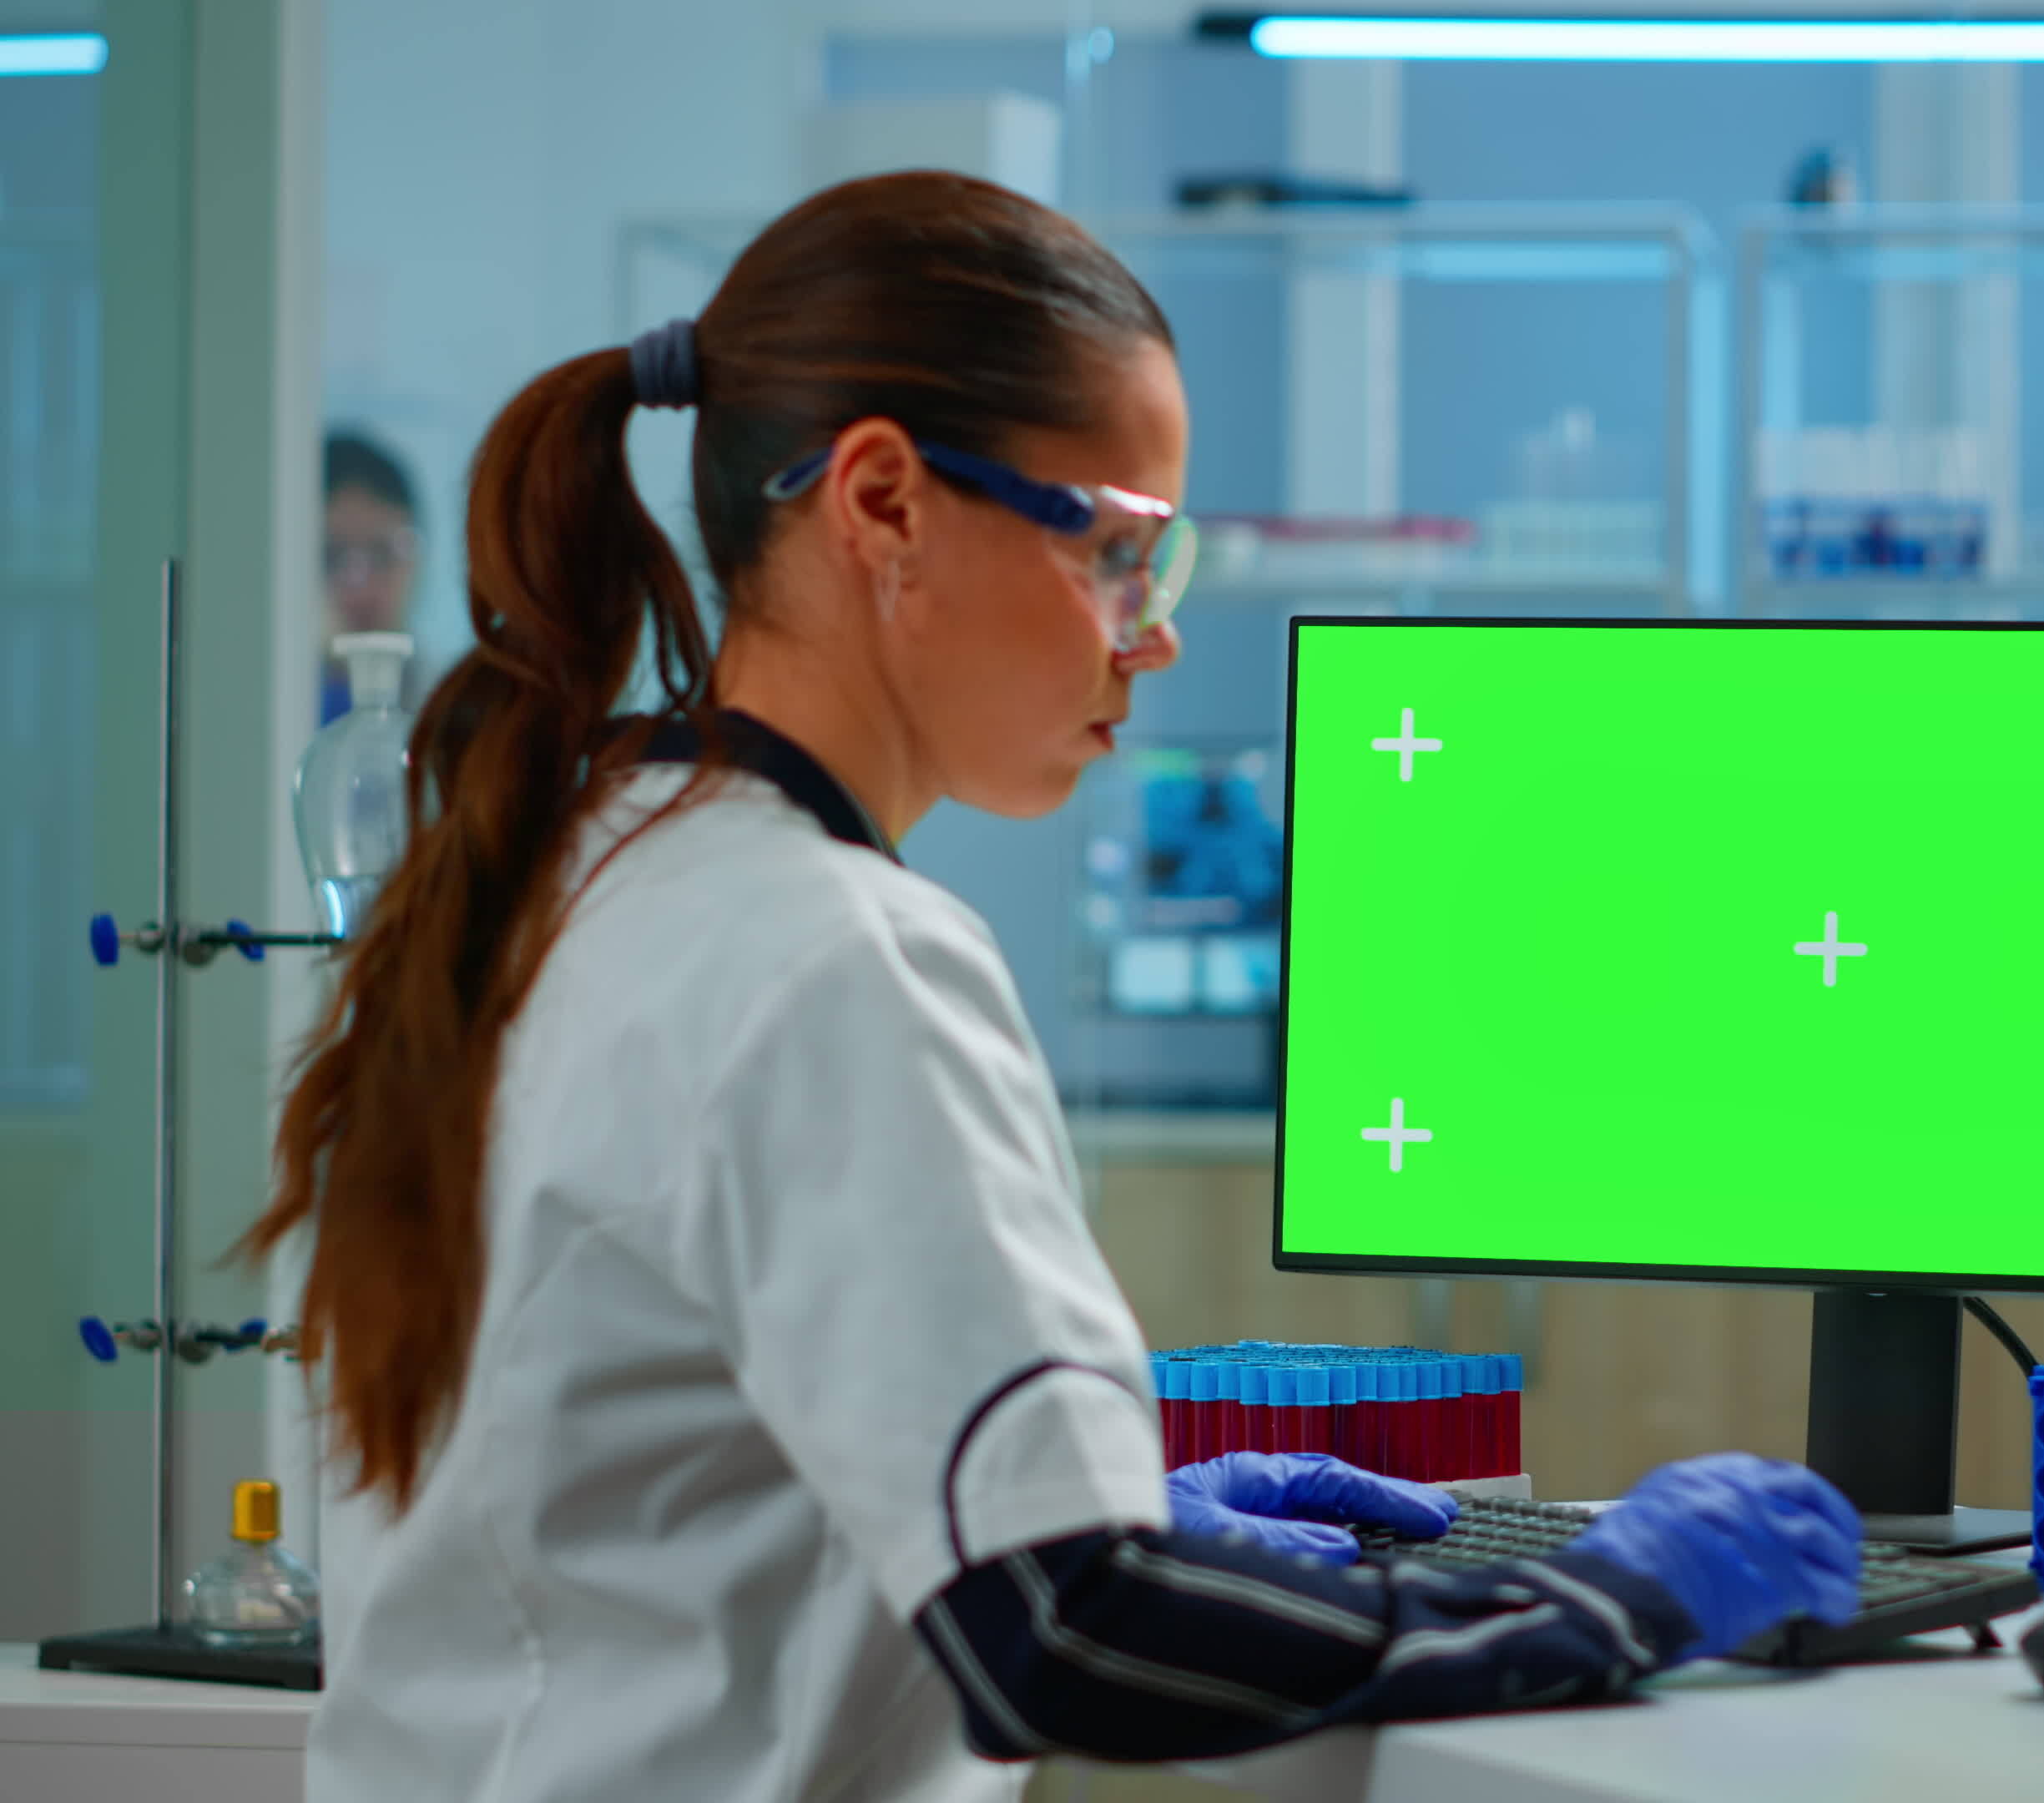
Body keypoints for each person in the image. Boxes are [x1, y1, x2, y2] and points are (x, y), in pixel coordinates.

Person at [241, 171, 1860, 1802]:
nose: (1149, 637)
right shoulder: (830, 955)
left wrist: (1092, 1497)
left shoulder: (572, 868)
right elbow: (1072, 1636)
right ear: (885, 503)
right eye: (1116, 551)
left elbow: (669, 1487)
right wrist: (1599, 1603)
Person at [319, 429, 423, 722]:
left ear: (417, 564)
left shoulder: (460, 707)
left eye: (382, 554)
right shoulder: (263, 701)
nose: (360, 588)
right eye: (332, 557)